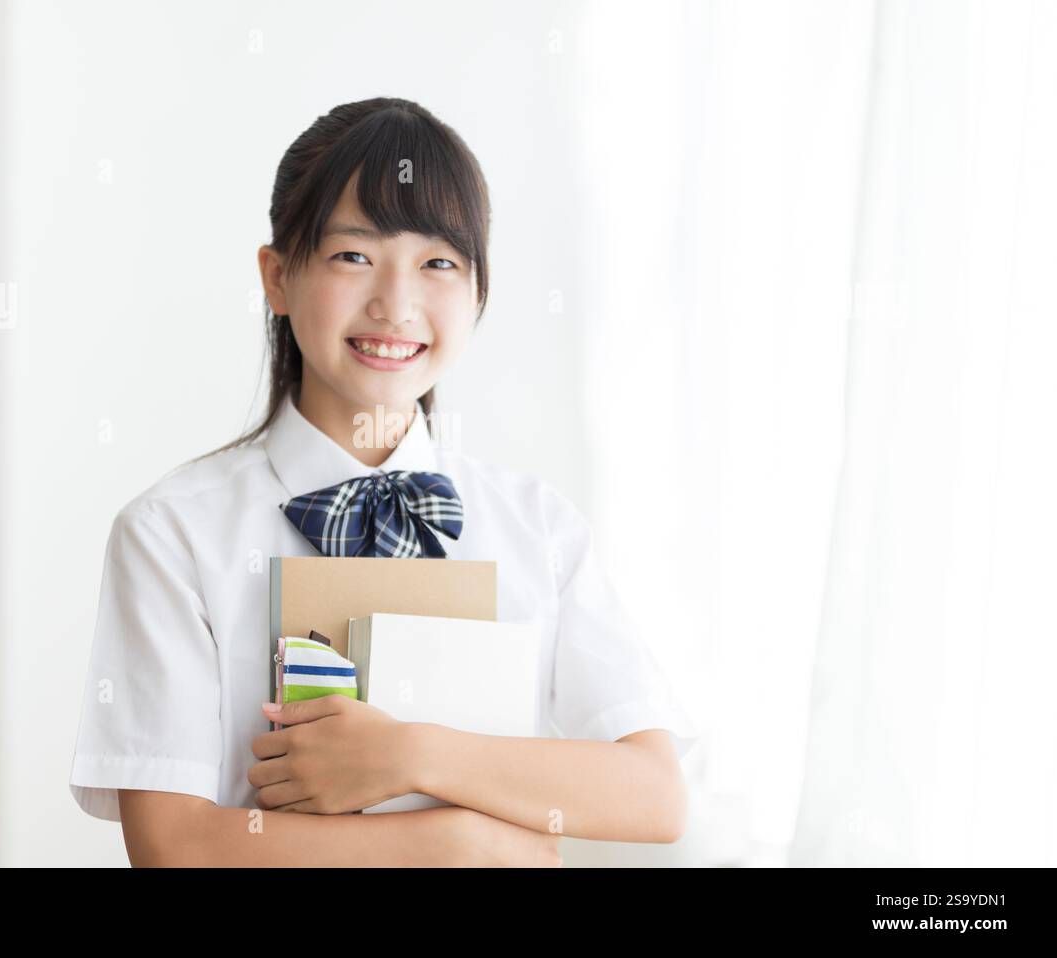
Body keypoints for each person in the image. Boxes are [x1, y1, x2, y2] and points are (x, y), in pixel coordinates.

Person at [67, 97, 699, 867]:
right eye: (353, 256)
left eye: (438, 263)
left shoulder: (538, 527)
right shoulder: (174, 533)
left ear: (478, 292)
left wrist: (412, 756)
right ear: (277, 277)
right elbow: (175, 848)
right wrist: (457, 843)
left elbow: (655, 795)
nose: (396, 306)